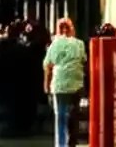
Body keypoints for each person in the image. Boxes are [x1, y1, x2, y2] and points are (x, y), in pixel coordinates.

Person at [43, 18, 87, 147]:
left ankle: (61, 144)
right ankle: (72, 142)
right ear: (72, 29)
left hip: (59, 85)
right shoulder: (79, 44)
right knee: (74, 116)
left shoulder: (54, 45)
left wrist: (46, 85)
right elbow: (83, 61)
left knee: (61, 116)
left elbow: (48, 66)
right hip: (76, 84)